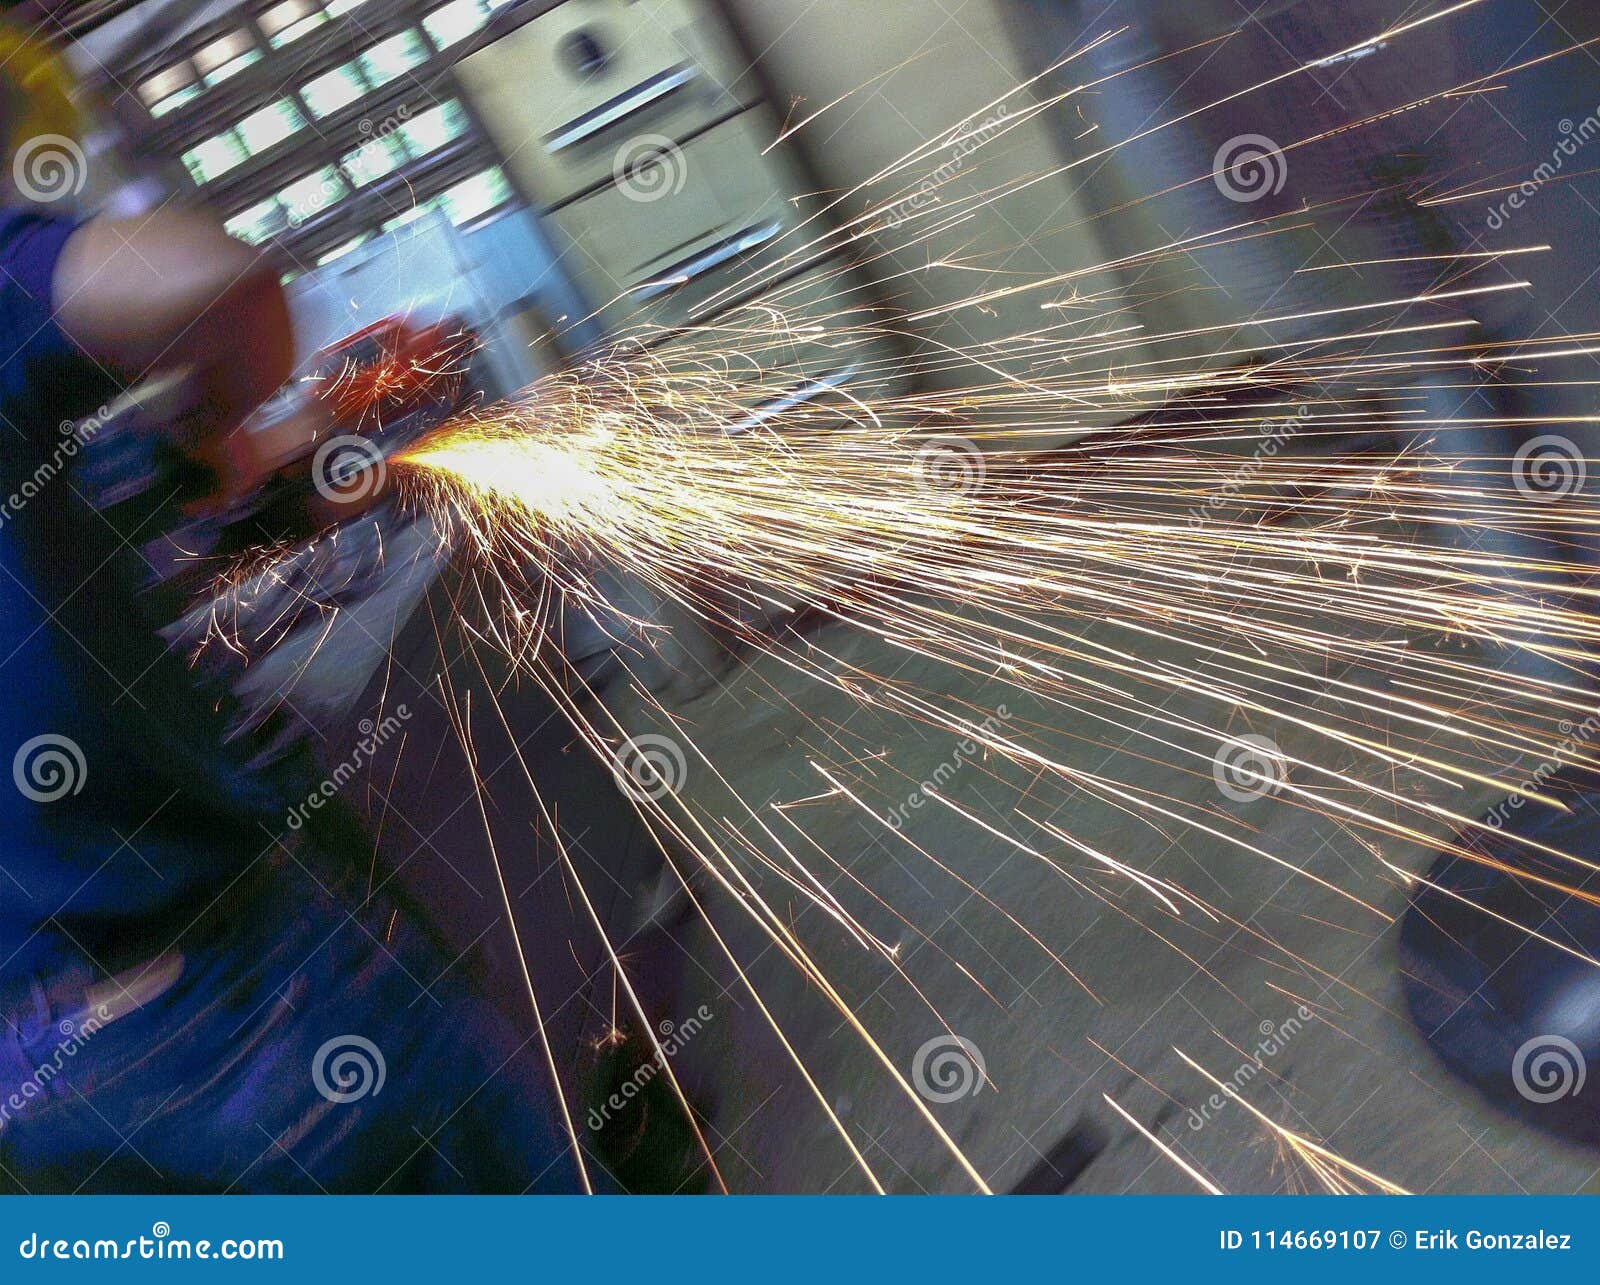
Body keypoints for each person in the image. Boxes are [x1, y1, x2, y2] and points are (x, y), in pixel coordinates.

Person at [0, 16, 578, 1193]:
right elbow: (218, 286)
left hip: (49, 1086)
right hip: (224, 1004)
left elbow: (138, 530)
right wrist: (228, 423)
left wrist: (296, 438)